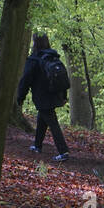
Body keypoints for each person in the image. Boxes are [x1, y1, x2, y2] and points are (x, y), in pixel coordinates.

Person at [16, 33, 71, 161]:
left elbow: (25, 80)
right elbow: (62, 78)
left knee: (52, 123)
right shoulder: (54, 57)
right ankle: (37, 145)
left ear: (35, 43)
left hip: (42, 97)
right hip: (55, 95)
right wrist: (63, 96)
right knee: (42, 118)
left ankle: (63, 152)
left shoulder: (34, 59)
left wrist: (20, 97)